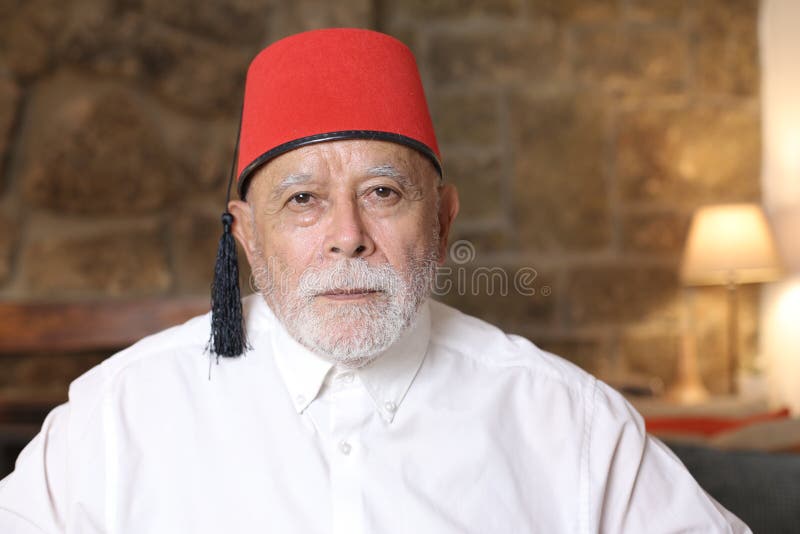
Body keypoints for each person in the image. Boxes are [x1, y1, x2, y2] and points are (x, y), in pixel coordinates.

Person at [0, 28, 749, 533]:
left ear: (445, 221)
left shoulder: (573, 427)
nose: (348, 236)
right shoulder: (116, 420)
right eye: (302, 200)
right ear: (246, 238)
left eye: (383, 193)